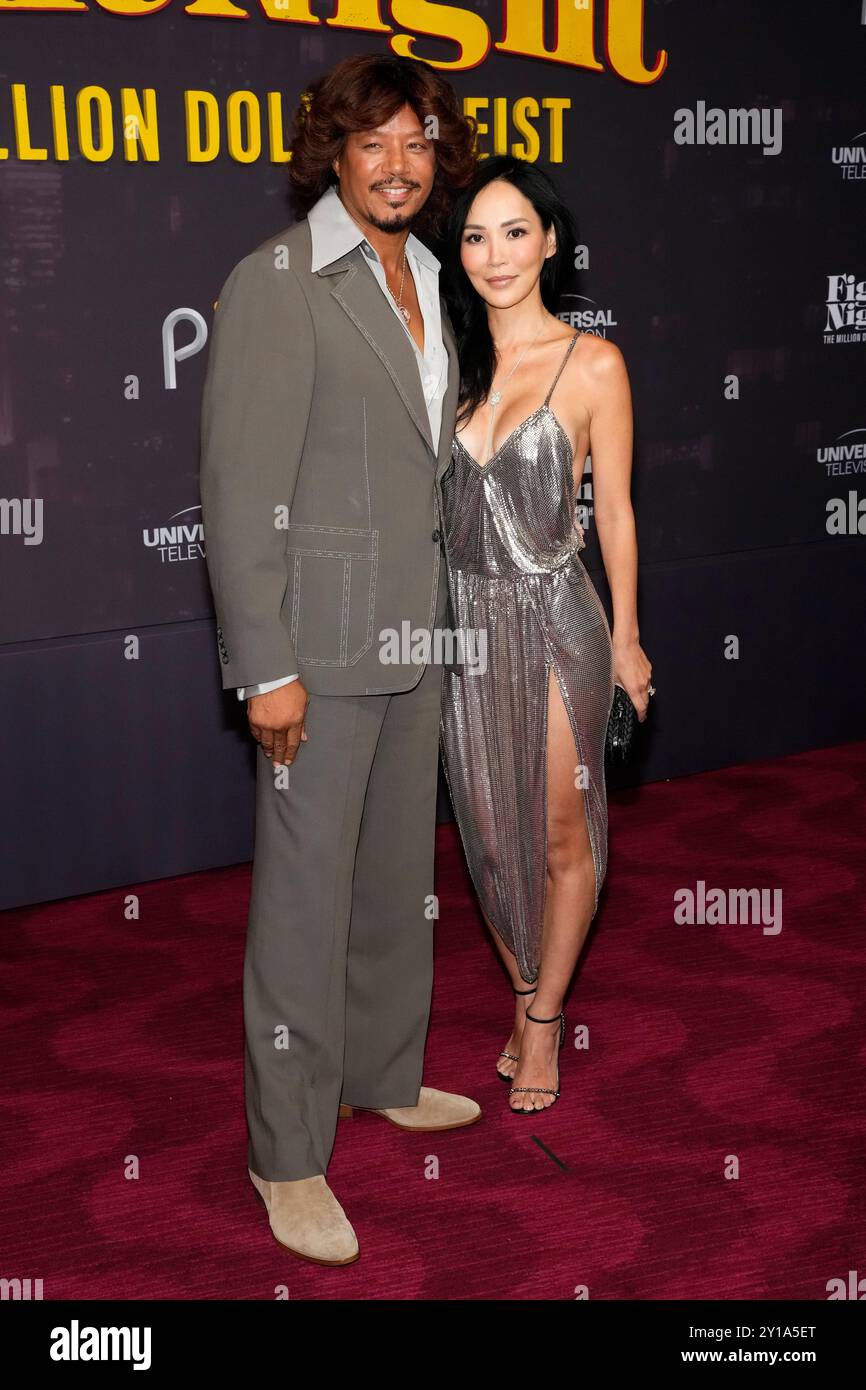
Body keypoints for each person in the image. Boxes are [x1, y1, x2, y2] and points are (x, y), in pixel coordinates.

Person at [199, 54, 478, 1265]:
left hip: (417, 633)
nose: (399, 164)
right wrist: (264, 666)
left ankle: (379, 1072)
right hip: (316, 643)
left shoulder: (428, 271)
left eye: (418, 142)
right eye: (374, 143)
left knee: (389, 889)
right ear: (333, 151)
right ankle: (287, 1153)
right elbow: (239, 487)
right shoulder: (277, 282)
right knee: (303, 909)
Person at [438, 156, 654, 1114]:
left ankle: (544, 1020)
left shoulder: (592, 362)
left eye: (515, 231)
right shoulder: (445, 363)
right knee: (490, 838)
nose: (496, 254)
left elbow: (616, 515)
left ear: (551, 242)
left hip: (558, 619)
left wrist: (630, 641)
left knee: (562, 833)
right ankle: (528, 985)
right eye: (477, 235)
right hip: (463, 634)